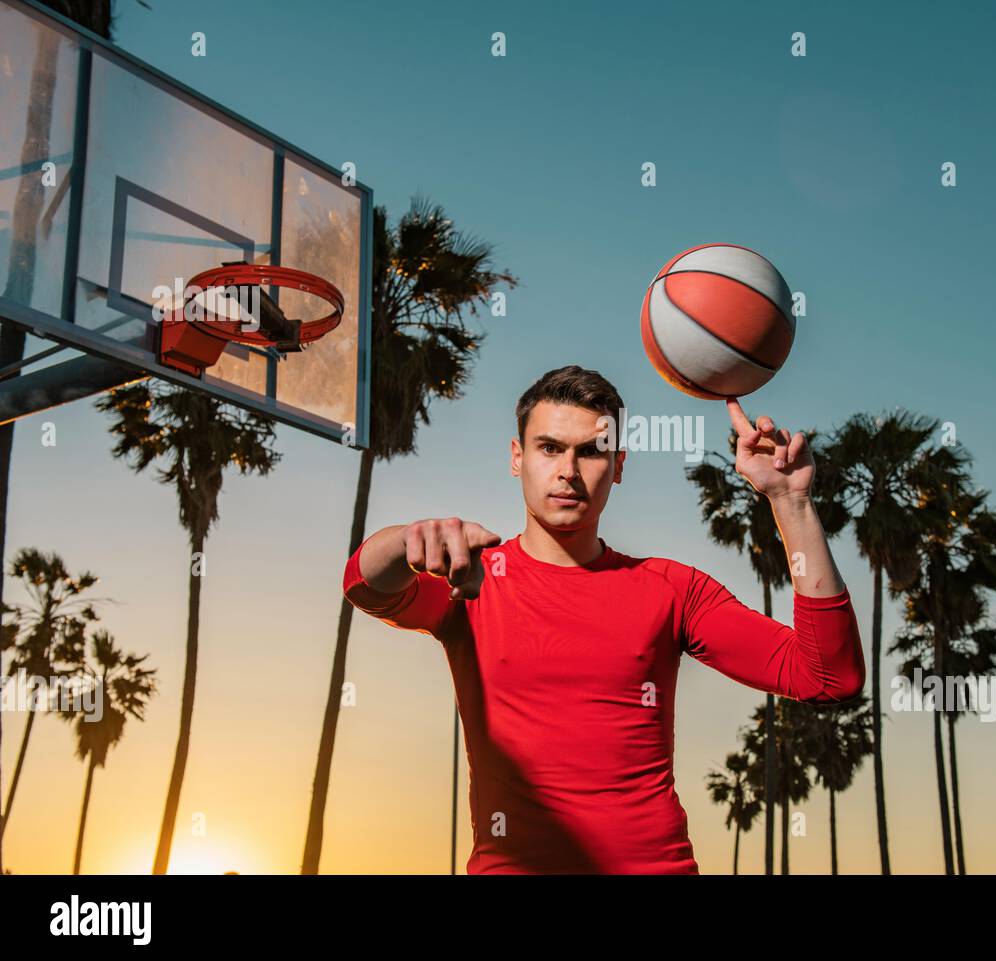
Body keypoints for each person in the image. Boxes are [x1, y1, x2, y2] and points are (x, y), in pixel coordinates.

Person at [342, 364, 865, 873]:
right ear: (517, 457)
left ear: (618, 465)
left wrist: (790, 503)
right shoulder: (471, 578)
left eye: (591, 452)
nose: (568, 471)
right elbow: (364, 585)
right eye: (549, 448)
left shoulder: (673, 590)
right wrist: (406, 538)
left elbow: (828, 676)